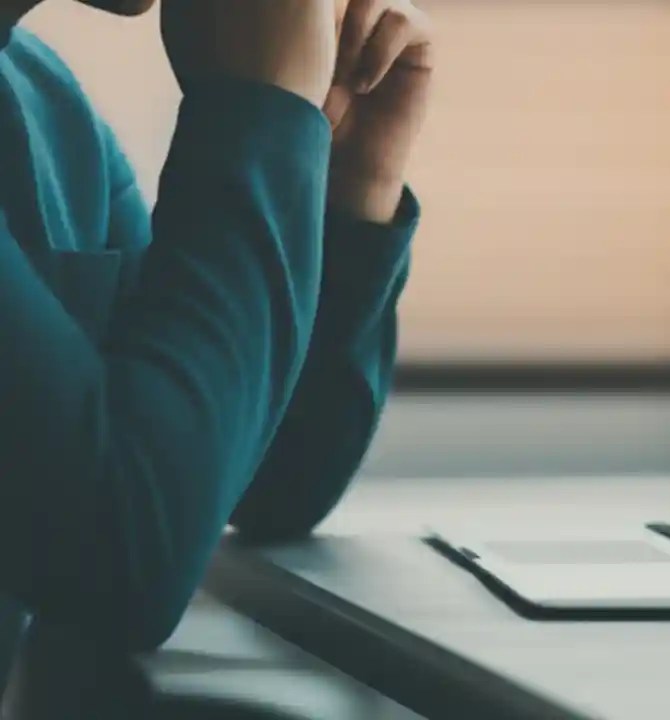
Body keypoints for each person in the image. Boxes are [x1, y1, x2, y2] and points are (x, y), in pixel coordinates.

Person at [0, 0, 433, 650]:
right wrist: (256, 116)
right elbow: (123, 566)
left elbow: (265, 481)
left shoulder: (45, 101)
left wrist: (345, 185)